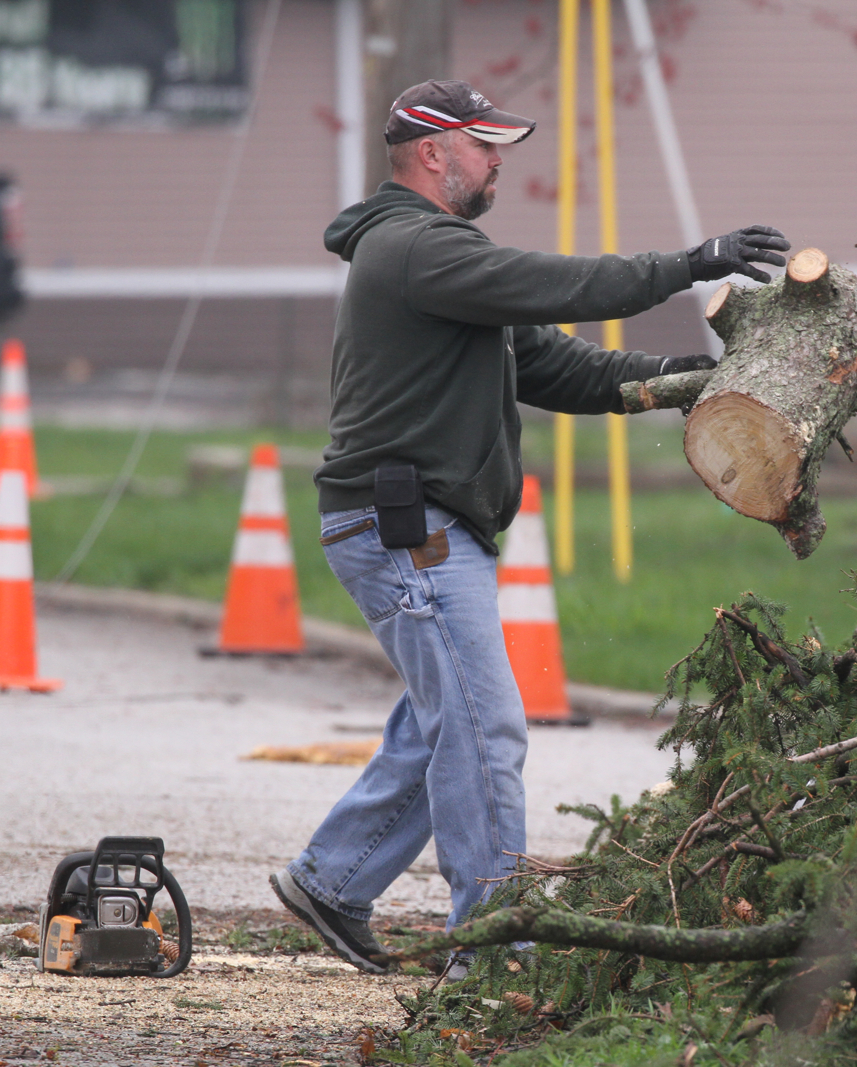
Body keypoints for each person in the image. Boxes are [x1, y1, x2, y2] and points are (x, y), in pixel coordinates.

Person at [269, 79, 790, 975]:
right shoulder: (411, 247)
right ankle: (494, 950)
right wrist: (692, 261)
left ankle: (333, 879)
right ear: (433, 153)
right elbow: (563, 283)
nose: (500, 156)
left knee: (451, 721)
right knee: (484, 729)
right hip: (407, 525)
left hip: (422, 523)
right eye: (484, 143)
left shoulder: (448, 268)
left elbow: (560, 365)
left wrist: (695, 381)